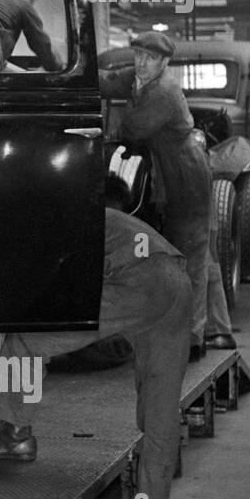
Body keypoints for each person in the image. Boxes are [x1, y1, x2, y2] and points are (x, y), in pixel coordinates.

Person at [0, 201, 190, 499]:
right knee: (161, 402)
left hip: (138, 281)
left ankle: (15, 434)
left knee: (26, 338)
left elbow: (52, 285)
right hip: (177, 282)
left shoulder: (56, 222)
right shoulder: (94, 213)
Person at [100, 30, 212, 361]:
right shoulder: (139, 77)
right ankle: (194, 329)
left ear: (163, 63)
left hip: (184, 175)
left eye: (150, 59)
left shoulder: (163, 91)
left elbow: (132, 128)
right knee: (183, 254)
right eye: (138, 56)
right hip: (163, 171)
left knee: (190, 255)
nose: (142, 63)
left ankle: (194, 339)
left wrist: (125, 101)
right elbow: (106, 80)